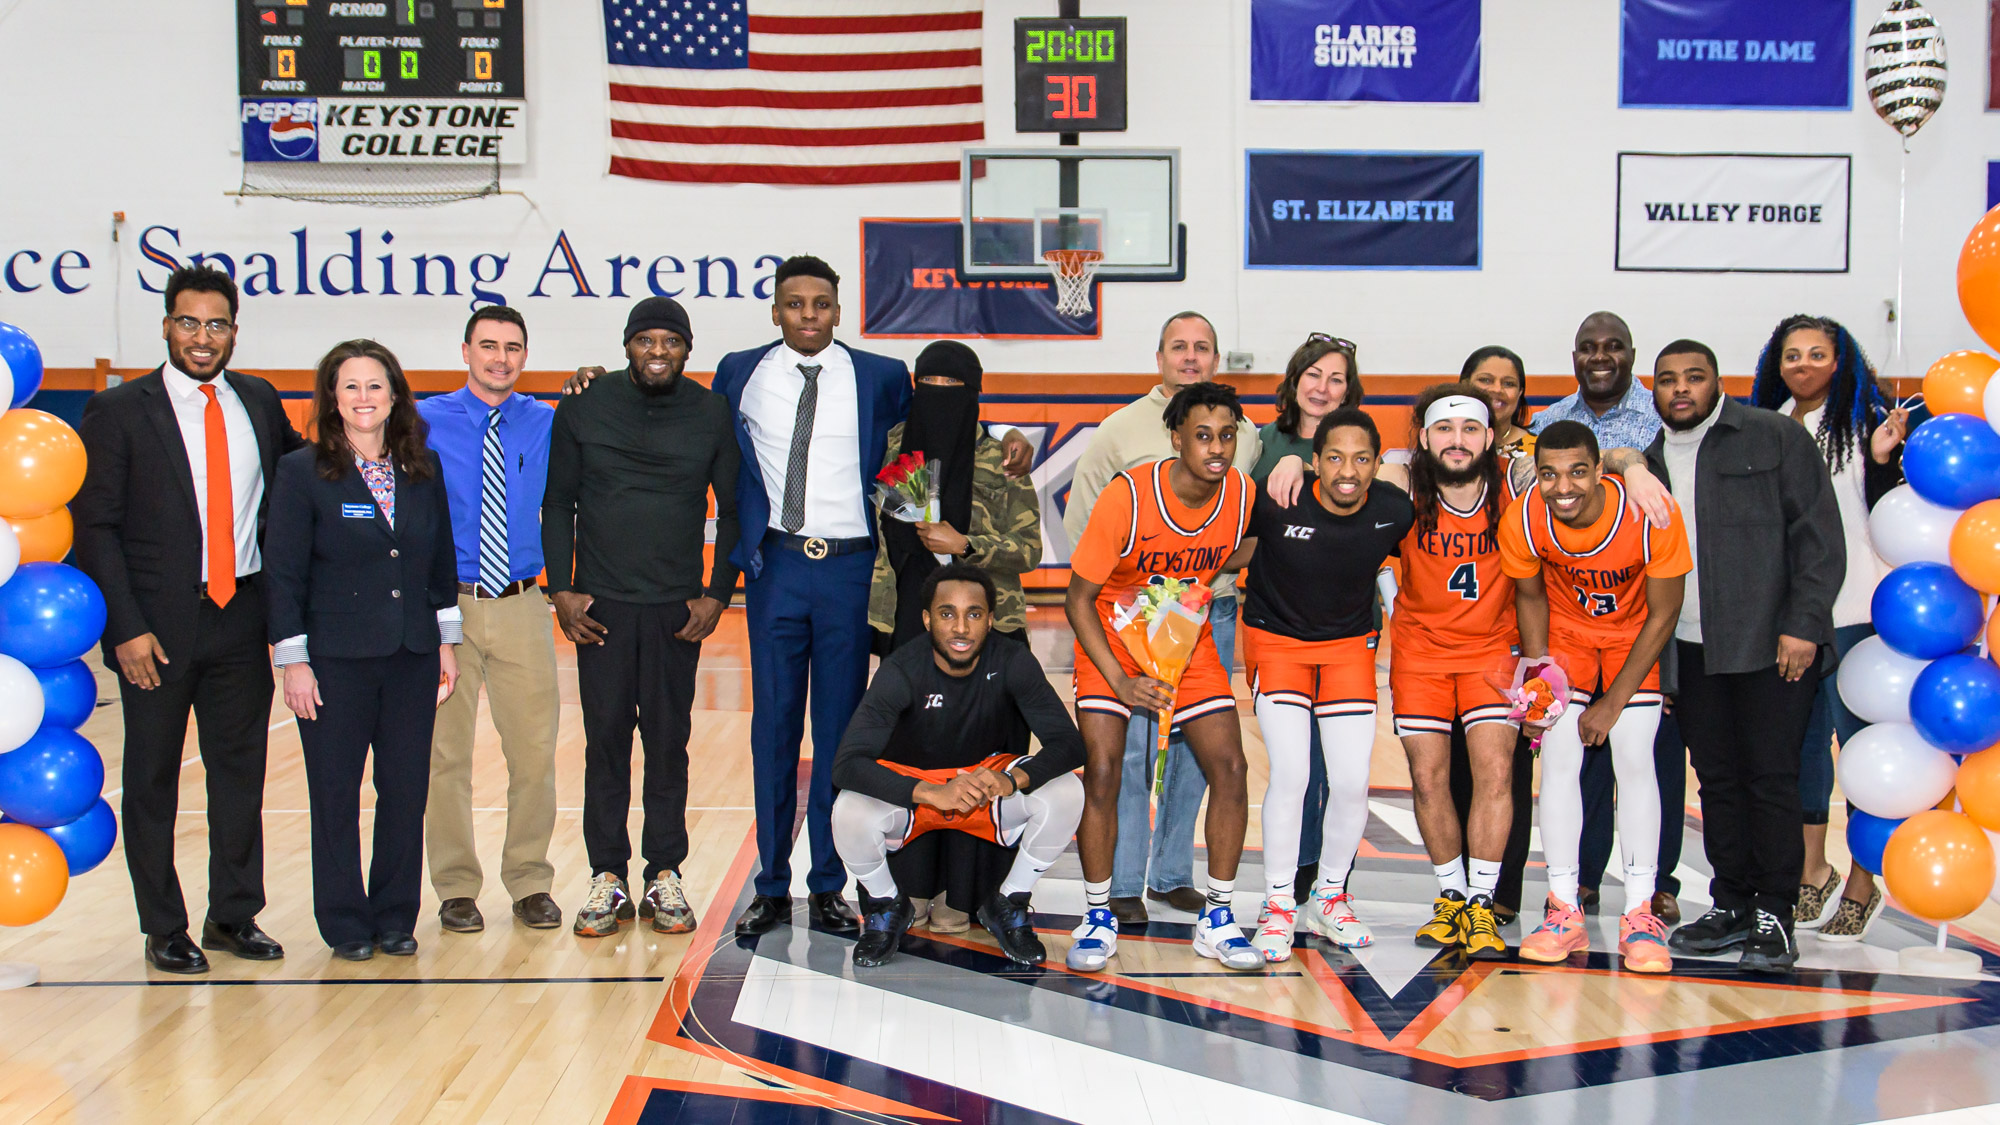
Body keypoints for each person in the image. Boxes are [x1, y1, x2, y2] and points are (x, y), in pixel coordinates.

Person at [568, 258, 1032, 942]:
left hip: (849, 571)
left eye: (820, 304)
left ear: (838, 311)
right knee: (774, 732)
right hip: (777, 567)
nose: (808, 314)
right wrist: (593, 383)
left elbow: (940, 432)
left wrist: (1007, 437)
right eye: (794, 304)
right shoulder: (737, 372)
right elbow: (671, 401)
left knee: (843, 735)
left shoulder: (879, 377)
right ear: (776, 311)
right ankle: (770, 886)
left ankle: (828, 885)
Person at [71, 265, 303, 974]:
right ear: (167, 325)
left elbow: (313, 478)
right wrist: (124, 628)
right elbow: (95, 527)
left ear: (235, 330)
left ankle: (234, 913)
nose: (203, 338)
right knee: (152, 779)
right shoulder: (119, 412)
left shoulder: (260, 401)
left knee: (241, 773)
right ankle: (164, 924)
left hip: (241, 616)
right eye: (189, 322)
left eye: (217, 324)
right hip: (155, 630)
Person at [544, 296, 741, 938]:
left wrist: (717, 592)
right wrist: (561, 591)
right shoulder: (583, 406)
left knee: (667, 743)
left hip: (674, 611)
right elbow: (556, 505)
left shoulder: (711, 412)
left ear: (687, 348)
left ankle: (664, 873)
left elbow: (734, 510)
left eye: (671, 342)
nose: (658, 351)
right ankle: (607, 875)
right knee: (603, 743)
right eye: (646, 340)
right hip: (600, 608)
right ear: (628, 345)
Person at [1648, 340, 1845, 973]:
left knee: (1770, 778)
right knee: (1719, 783)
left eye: (1694, 377)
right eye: (1669, 380)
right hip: (1691, 649)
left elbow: (1818, 537)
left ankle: (1774, 911)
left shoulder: (1773, 436)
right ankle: (1730, 901)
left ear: (1717, 383)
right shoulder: (1649, 461)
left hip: (1771, 645)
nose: (1681, 389)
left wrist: (1804, 626)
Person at [1060, 311, 1262, 922]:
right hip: (1114, 625)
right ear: (1177, 437)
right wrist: (1120, 681)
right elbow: (1076, 598)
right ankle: (1102, 904)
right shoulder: (1127, 491)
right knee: (1107, 766)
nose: (1218, 448)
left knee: (1228, 764)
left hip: (1184, 624)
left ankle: (1219, 910)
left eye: (1227, 436)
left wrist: (1212, 579)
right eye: (1204, 436)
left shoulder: (1242, 492)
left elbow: (1246, 545)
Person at [264, 340, 461, 961]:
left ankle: (396, 915)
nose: (364, 398)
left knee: (405, 789)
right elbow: (285, 573)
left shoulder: (422, 468)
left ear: (396, 394)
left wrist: (445, 645)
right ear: (330, 398)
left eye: (376, 385)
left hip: (411, 655)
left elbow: (438, 564)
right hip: (334, 662)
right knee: (335, 792)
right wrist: (293, 660)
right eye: (350, 386)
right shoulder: (301, 471)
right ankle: (346, 921)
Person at [1501, 420, 1689, 974]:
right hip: (1568, 638)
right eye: (1551, 474)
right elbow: (1530, 599)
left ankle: (1639, 913)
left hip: (1636, 636)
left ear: (1600, 469)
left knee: (1635, 760)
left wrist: (1612, 703)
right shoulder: (1526, 516)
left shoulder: (1651, 515)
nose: (1564, 486)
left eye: (1578, 472)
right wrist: (1539, 685)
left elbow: (1665, 613)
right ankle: (1563, 908)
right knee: (1557, 763)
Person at [832, 564, 1085, 968]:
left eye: (974, 614)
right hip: (920, 795)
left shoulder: (1013, 660)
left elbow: (1070, 744)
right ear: (928, 619)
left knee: (1067, 791)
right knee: (849, 808)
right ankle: (885, 907)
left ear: (990, 620)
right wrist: (930, 792)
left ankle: (1010, 901)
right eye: (948, 614)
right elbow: (846, 765)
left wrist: (1012, 778)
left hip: (985, 791)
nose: (961, 628)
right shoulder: (901, 670)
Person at [1748, 315, 1910, 941]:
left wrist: (1881, 463)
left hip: (1858, 611)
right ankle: (1812, 869)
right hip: (1790, 617)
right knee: (1802, 748)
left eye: (1818, 353)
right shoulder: (1768, 425)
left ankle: (1864, 881)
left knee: (1861, 749)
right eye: (1792, 354)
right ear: (1775, 363)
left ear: (1841, 362)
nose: (1804, 364)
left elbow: (1890, 514)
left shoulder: (1867, 425)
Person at [1231, 407, 1411, 960]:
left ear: (1378, 465)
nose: (1347, 470)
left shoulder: (1394, 510)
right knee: (1292, 773)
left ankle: (1329, 896)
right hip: (1277, 641)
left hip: (1349, 647)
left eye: (1361, 459)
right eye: (1334, 457)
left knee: (1353, 781)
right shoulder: (1278, 498)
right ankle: (1279, 903)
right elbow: (1225, 539)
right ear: (1315, 462)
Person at [1535, 311, 1685, 920]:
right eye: (1588, 347)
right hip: (1575, 618)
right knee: (1579, 758)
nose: (1601, 357)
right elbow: (1535, 486)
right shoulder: (1550, 421)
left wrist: (1632, 459)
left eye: (1613, 347)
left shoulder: (1658, 418)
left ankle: (1658, 886)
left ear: (1630, 353)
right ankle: (1582, 879)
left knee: (1653, 753)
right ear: (1573, 355)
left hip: (1652, 600)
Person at [416, 306, 561, 935]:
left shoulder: (547, 422)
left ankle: (529, 881)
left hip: (524, 603)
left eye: (512, 347)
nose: (499, 358)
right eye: (488, 346)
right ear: (466, 351)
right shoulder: (422, 421)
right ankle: (454, 887)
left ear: (525, 356)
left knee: (533, 753)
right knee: (444, 755)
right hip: (446, 606)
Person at [1385, 386, 1520, 960]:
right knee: (1428, 779)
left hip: (1494, 651)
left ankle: (1484, 906)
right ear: (1424, 437)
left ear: (1489, 438)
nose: (1457, 441)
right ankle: (1452, 900)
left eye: (1470, 430)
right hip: (1420, 654)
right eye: (1445, 429)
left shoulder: (1516, 484)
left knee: (1494, 775)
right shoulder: (1402, 489)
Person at [1247, 334, 1365, 901]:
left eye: (1337, 378)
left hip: (1345, 630)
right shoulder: (1261, 443)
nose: (1323, 387)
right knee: (1296, 764)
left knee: (1338, 768)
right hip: (1278, 624)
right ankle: (1290, 871)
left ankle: (1323, 874)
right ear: (1294, 382)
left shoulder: (1359, 446)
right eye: (1313, 374)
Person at [870, 340, 1042, 649]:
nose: (938, 390)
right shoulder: (893, 445)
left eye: (951, 382)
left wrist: (965, 545)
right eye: (928, 381)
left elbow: (1029, 549)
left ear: (971, 390)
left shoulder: (1000, 457)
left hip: (988, 618)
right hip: (906, 615)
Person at [1445, 347, 1535, 921]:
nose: (1497, 390)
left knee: (1508, 770)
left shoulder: (1535, 457)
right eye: (1485, 380)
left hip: (1513, 638)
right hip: (1448, 642)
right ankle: (1455, 887)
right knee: (1452, 764)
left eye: (1509, 383)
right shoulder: (1440, 452)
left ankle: (1501, 892)